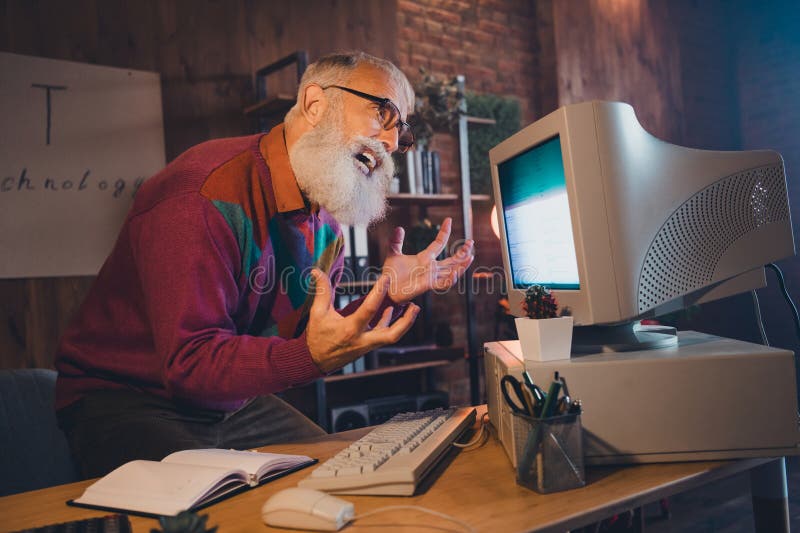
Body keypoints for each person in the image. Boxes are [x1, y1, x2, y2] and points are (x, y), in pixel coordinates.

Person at [54, 51, 475, 478]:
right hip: (126, 400)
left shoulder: (326, 228)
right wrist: (310, 354)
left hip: (227, 403)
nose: (389, 144)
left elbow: (312, 338)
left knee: (343, 472)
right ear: (315, 104)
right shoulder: (200, 196)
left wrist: (384, 294)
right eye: (381, 113)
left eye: (399, 130)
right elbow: (189, 363)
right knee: (210, 517)